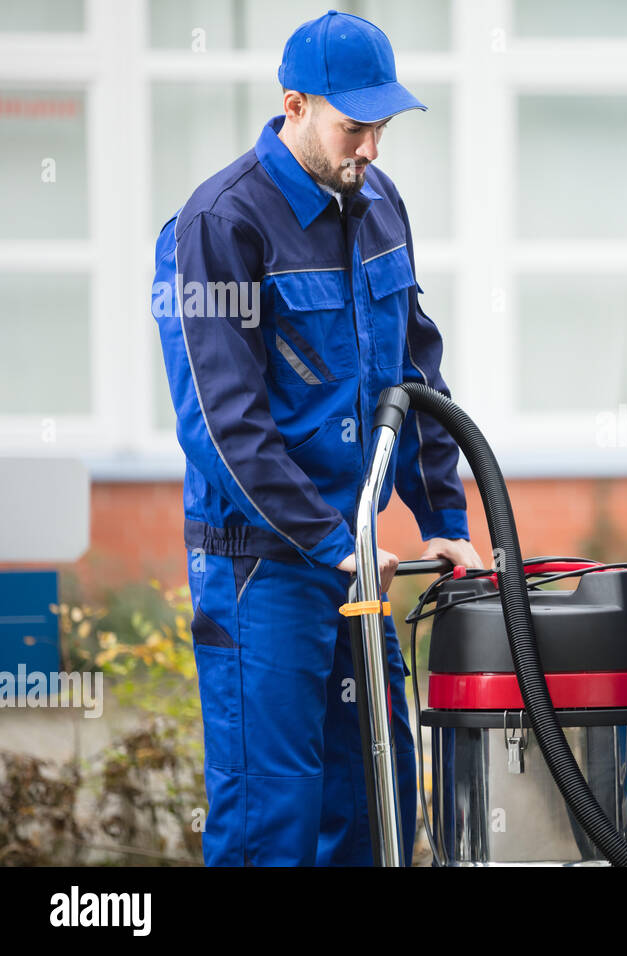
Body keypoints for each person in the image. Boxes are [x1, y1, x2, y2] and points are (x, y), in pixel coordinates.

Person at [153, 10, 482, 866]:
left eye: (381, 127)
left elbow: (412, 379)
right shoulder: (219, 228)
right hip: (261, 566)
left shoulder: (378, 205)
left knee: (375, 800)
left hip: (352, 556)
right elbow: (223, 424)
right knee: (275, 816)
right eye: (353, 127)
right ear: (293, 106)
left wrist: (442, 512)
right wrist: (334, 542)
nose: (371, 148)